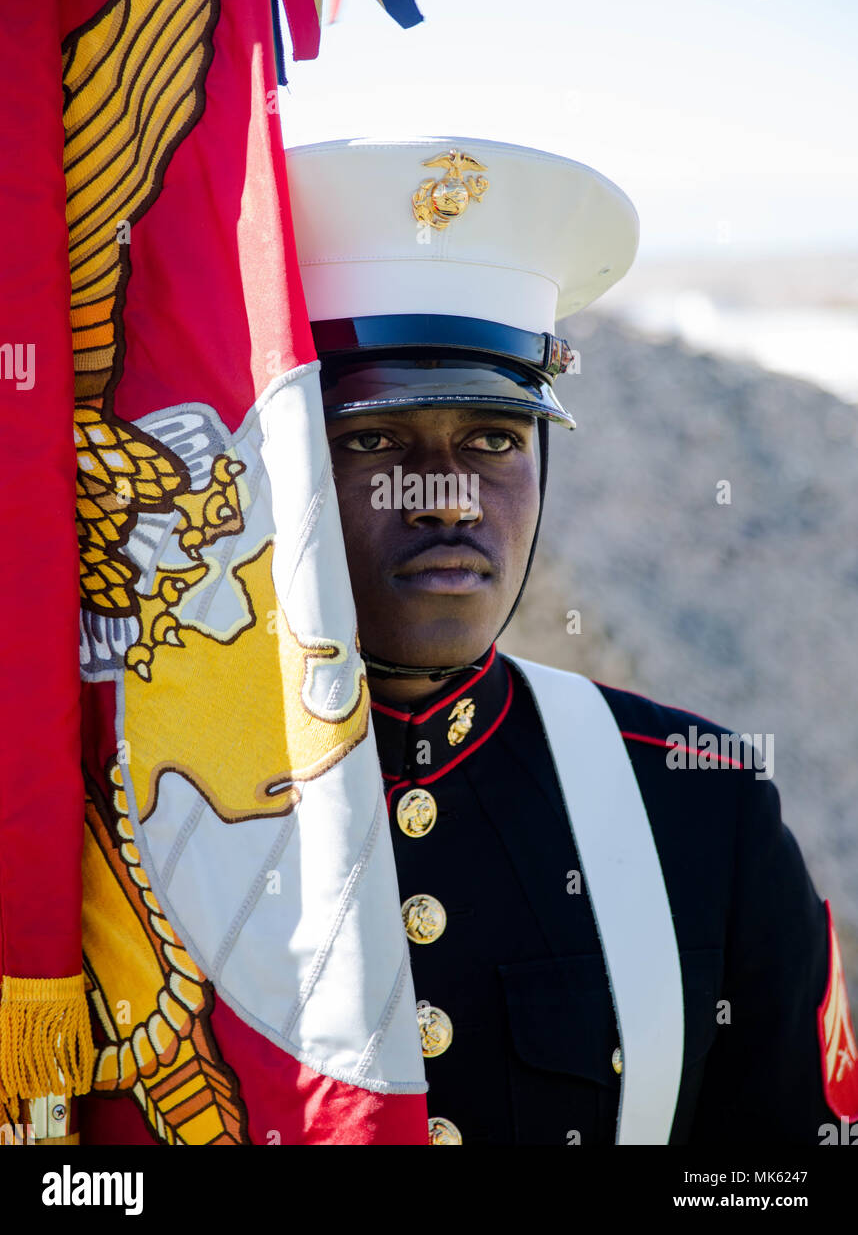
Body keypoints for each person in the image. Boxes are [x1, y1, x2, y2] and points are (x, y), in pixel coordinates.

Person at [285, 135, 858, 1146]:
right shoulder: (158, 802)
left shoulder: (701, 802)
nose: (448, 497)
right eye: (371, 441)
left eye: (494, 439)